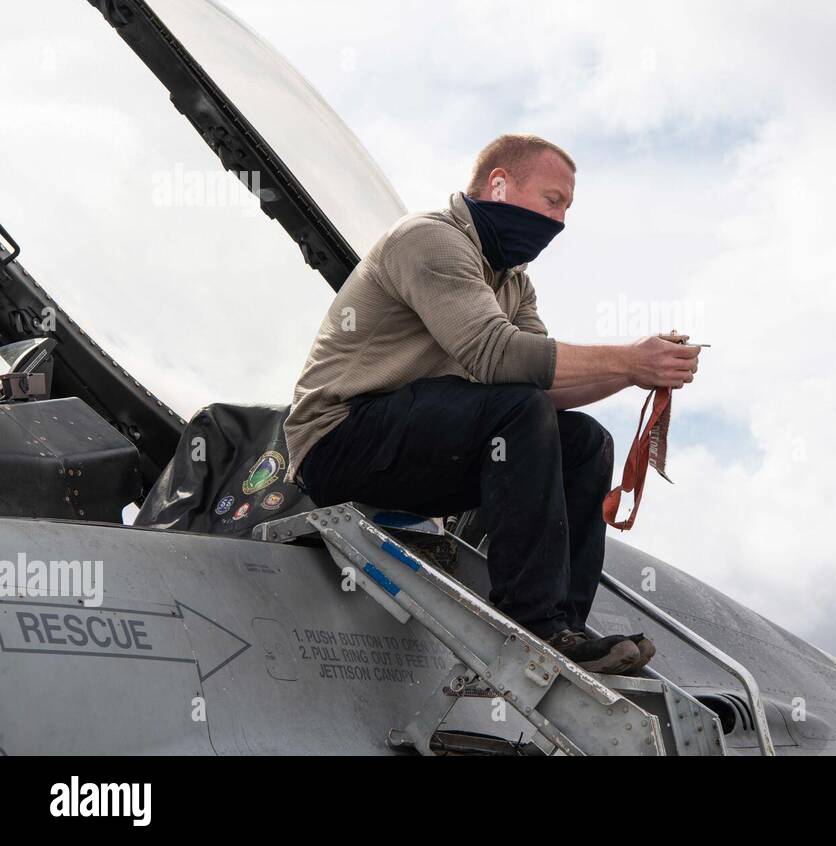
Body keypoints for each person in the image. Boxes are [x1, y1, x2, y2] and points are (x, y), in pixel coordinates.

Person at [284, 134, 701, 674]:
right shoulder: (429, 240)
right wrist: (628, 360)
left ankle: (564, 626)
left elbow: (542, 387)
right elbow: (493, 353)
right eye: (553, 201)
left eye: (568, 208)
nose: (561, 222)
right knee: (518, 410)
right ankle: (535, 625)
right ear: (499, 185)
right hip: (340, 440)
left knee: (584, 441)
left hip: (420, 448)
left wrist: (636, 374)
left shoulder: (513, 282)